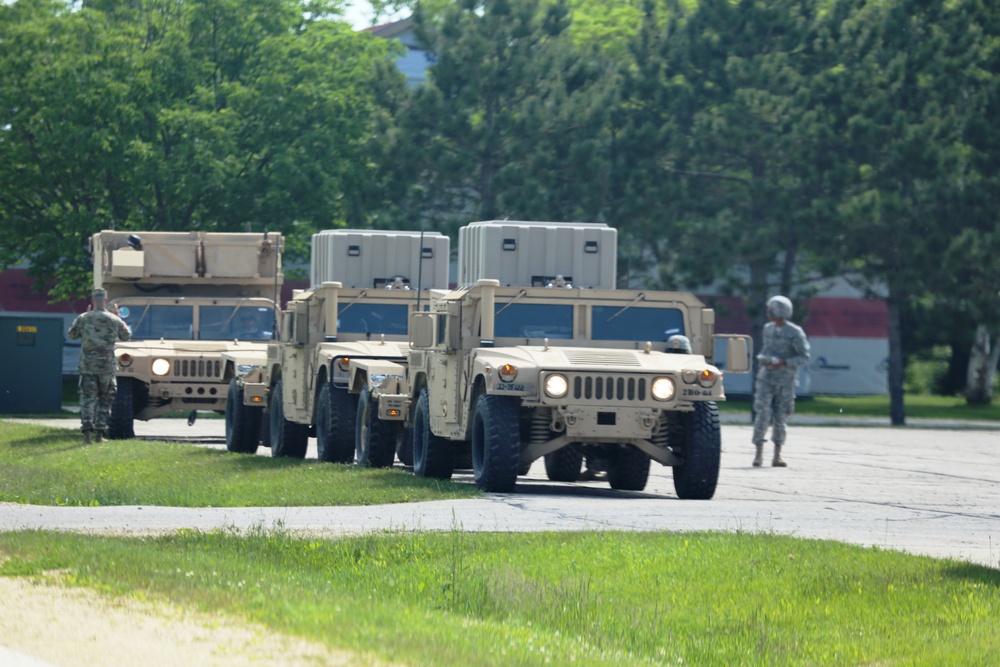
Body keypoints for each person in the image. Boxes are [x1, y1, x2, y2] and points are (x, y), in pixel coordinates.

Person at [751, 295, 810, 467]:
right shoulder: (767, 329)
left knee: (780, 416)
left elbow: (804, 356)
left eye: (771, 310)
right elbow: (764, 351)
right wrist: (766, 359)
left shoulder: (795, 332)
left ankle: (777, 456)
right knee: (762, 413)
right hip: (766, 377)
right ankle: (758, 454)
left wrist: (786, 362)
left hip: (786, 380)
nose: (768, 313)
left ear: (779, 311)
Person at [68, 288, 131, 443]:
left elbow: (72, 335)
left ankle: (87, 435)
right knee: (105, 399)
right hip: (106, 367)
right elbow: (126, 336)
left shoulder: (83, 318)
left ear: (92, 301)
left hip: (87, 366)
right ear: (105, 301)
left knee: (87, 398)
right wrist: (116, 317)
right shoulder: (114, 319)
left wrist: (85, 320)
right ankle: (99, 435)